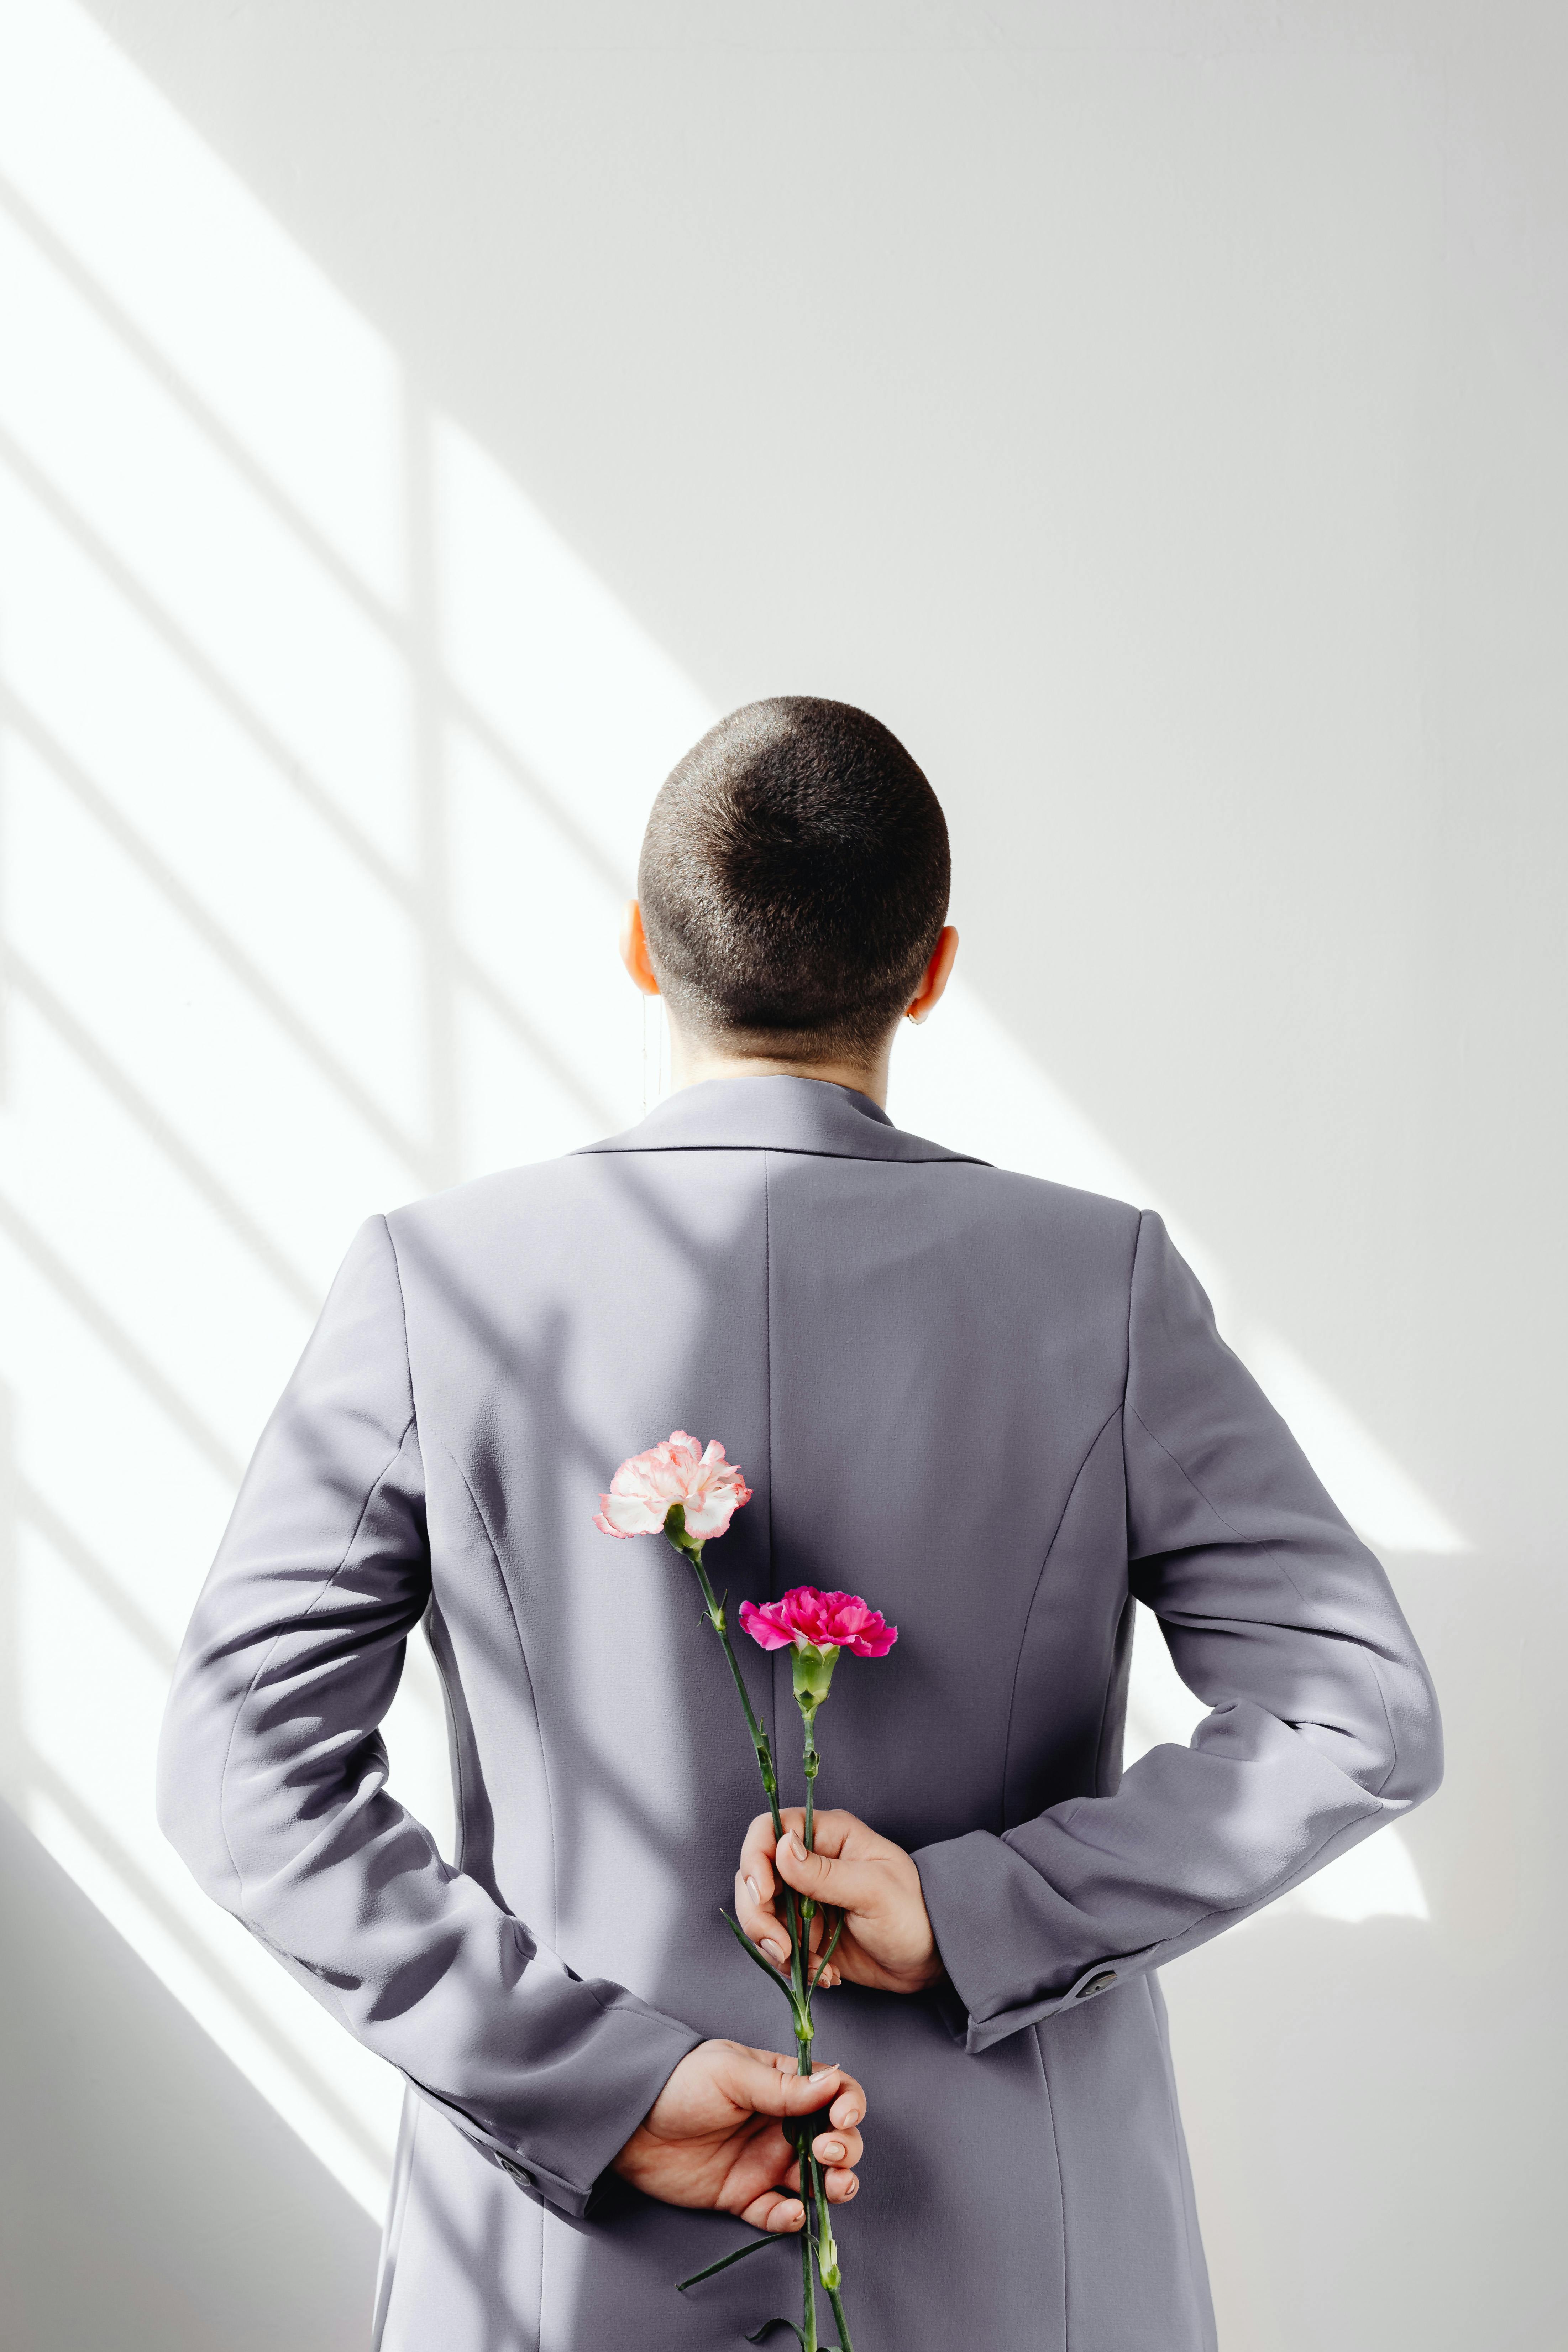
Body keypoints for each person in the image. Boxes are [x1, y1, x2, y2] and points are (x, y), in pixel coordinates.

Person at [158, 697, 1442, 2351]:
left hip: (566, 2267)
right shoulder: (1098, 1283)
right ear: (933, 969)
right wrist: (978, 1912)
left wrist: (598, 2079)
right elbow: (1356, 1712)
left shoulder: (438, 1285)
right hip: (1018, 2267)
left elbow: (238, 1769)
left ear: (640, 947)